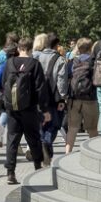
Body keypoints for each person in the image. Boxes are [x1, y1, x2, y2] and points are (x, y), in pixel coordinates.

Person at [2, 36, 50, 184]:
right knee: (33, 138)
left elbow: (3, 83)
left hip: (12, 108)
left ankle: (10, 172)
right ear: (30, 49)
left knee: (12, 139)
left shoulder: (9, 63)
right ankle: (37, 167)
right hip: (29, 108)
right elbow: (41, 88)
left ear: (18, 49)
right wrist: (45, 109)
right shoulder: (34, 64)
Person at [57, 37, 99, 152]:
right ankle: (95, 153)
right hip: (90, 98)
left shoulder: (71, 62)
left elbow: (65, 79)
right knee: (92, 129)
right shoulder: (94, 62)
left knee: (72, 128)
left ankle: (67, 152)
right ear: (90, 48)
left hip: (74, 99)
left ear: (78, 48)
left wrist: (64, 96)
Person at [33, 32, 65, 166]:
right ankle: (46, 144)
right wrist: (62, 98)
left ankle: (42, 146)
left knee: (41, 123)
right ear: (56, 45)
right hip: (53, 97)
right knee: (54, 124)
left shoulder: (35, 57)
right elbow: (61, 79)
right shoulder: (59, 59)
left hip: (37, 97)